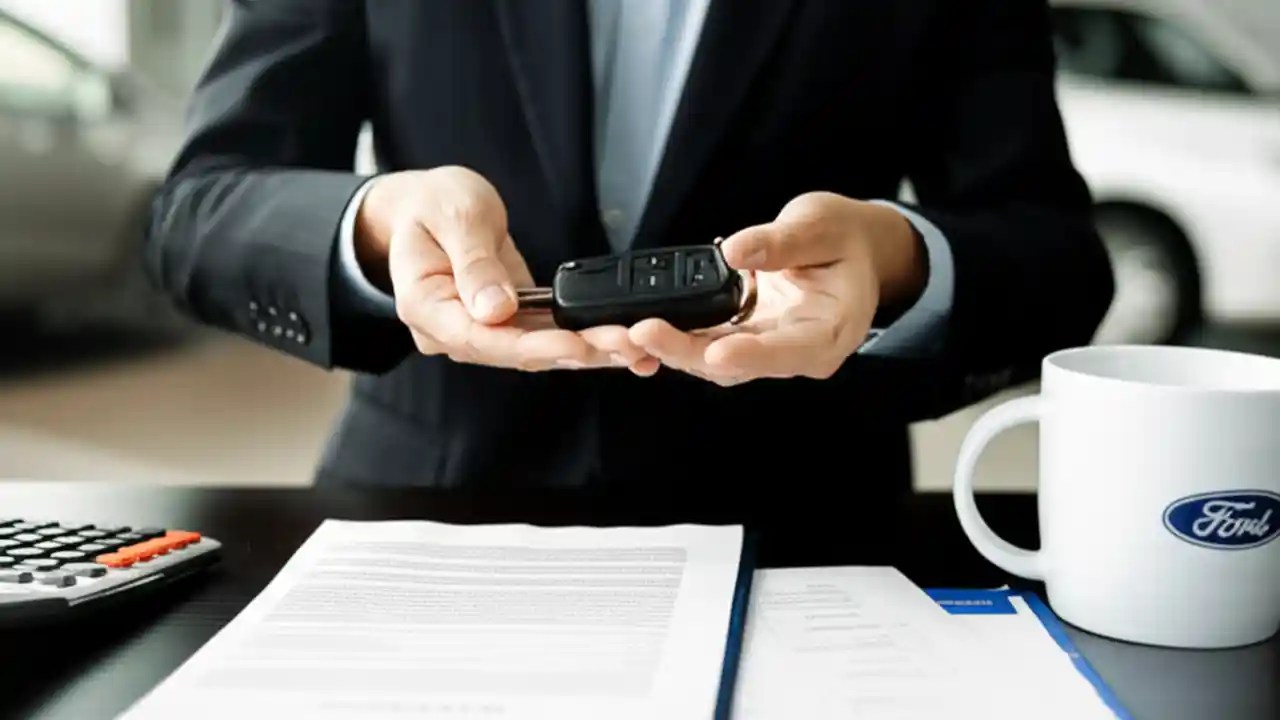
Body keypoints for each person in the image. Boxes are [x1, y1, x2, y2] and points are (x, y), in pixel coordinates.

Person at [145, 0, 1113, 495]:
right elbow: (201, 210)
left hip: (808, 540)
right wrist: (376, 228)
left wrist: (897, 262)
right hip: (431, 513)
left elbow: (1056, 258)